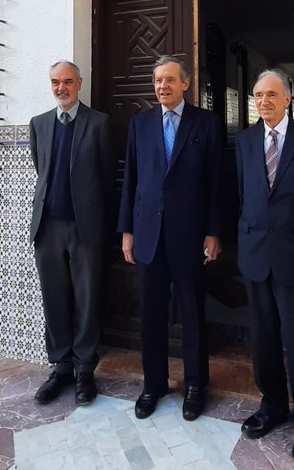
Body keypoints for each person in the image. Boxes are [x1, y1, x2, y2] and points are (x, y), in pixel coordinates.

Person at [234, 68, 294, 464]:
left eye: (271, 94)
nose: (264, 101)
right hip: (256, 253)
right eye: (258, 95)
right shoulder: (245, 140)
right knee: (264, 338)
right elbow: (244, 195)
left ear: (288, 99)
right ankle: (272, 406)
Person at [118, 55, 223, 422]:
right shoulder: (140, 123)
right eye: (158, 80)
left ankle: (195, 386)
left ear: (185, 84)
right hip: (148, 234)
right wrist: (127, 230)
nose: (162, 86)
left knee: (192, 313)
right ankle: (154, 385)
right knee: (151, 314)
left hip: (190, 236)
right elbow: (131, 179)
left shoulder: (207, 123)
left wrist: (213, 231)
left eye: (170, 80)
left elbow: (216, 183)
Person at [28, 60, 114, 406]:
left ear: (79, 84)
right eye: (55, 82)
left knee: (87, 299)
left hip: (85, 228)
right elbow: (41, 169)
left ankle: (85, 370)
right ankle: (60, 367)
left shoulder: (99, 123)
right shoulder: (39, 124)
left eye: (67, 82)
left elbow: (107, 179)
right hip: (47, 227)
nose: (61, 88)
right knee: (54, 298)